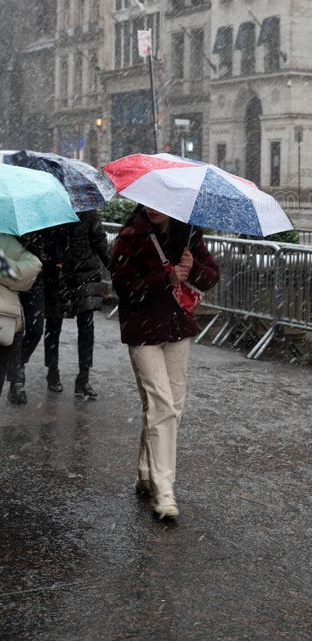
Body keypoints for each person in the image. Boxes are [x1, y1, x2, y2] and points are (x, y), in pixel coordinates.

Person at [111, 205, 219, 519]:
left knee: (172, 407)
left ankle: (147, 474)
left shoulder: (188, 234)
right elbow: (124, 289)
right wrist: (165, 278)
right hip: (143, 332)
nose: (154, 209)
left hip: (177, 329)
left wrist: (192, 268)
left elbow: (211, 276)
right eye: (149, 203)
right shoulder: (130, 237)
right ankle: (164, 490)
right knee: (161, 406)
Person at [11, 212, 110, 402]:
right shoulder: (51, 212)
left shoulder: (88, 213)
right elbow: (40, 242)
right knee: (53, 325)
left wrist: (115, 269)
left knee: (86, 327)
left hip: (85, 274)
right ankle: (52, 371)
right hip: (57, 275)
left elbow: (100, 242)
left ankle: (83, 377)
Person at [0, 235, 42, 398]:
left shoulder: (8, 241)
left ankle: (16, 375)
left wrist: (2, 264)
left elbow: (33, 266)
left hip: (5, 316)